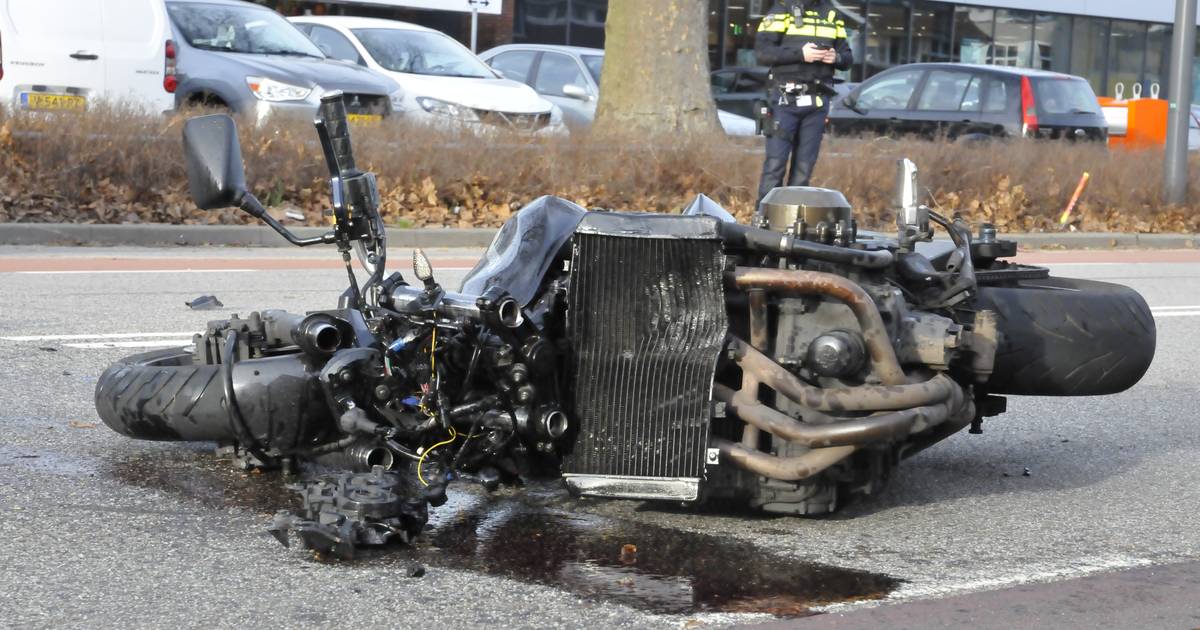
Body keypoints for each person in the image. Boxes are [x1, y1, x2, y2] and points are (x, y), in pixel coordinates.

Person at [755, 0, 853, 202]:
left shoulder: (832, 14)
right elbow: (763, 52)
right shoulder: (782, 9)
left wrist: (836, 57)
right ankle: (763, 219)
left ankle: (790, 221)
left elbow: (848, 57)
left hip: (817, 103)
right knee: (775, 164)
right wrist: (801, 54)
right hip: (785, 100)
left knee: (804, 170)